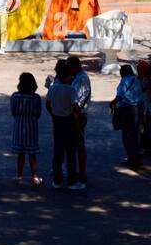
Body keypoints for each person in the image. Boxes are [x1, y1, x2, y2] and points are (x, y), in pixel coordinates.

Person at [46, 59, 82, 189]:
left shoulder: (53, 88)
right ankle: (72, 181)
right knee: (71, 151)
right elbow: (75, 108)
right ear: (68, 76)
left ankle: (57, 180)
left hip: (57, 120)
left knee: (58, 150)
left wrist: (53, 113)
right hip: (69, 120)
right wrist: (77, 123)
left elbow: (47, 104)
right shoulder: (71, 90)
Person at [11, 72, 43, 186]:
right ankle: (34, 176)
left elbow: (13, 111)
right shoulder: (36, 98)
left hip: (19, 126)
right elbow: (38, 113)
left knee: (21, 153)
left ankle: (19, 177)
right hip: (32, 127)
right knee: (32, 153)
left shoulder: (15, 96)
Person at [112, 64, 144, 168]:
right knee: (136, 134)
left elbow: (120, 95)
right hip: (139, 108)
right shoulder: (137, 79)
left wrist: (112, 103)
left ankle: (132, 159)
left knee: (128, 135)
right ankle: (137, 158)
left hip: (128, 109)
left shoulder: (125, 80)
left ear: (123, 72)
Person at [67, 55, 91, 185]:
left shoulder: (81, 79)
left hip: (78, 114)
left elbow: (78, 100)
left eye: (69, 66)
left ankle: (82, 172)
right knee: (75, 143)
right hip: (76, 113)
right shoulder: (78, 77)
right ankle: (78, 171)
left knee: (79, 144)